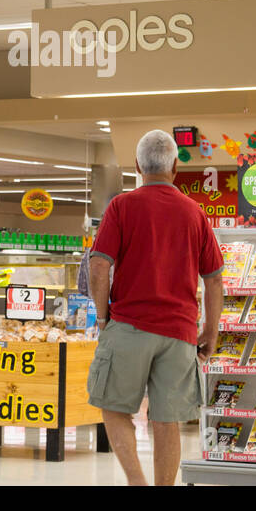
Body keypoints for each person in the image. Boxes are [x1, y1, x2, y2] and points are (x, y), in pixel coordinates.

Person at [86, 129, 223, 486]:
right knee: (168, 418)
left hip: (129, 325)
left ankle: (137, 482)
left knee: (114, 406)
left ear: (137, 167)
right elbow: (214, 278)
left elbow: (98, 265)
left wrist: (103, 319)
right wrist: (210, 330)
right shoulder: (195, 213)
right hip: (179, 332)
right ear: (175, 166)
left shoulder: (121, 206)